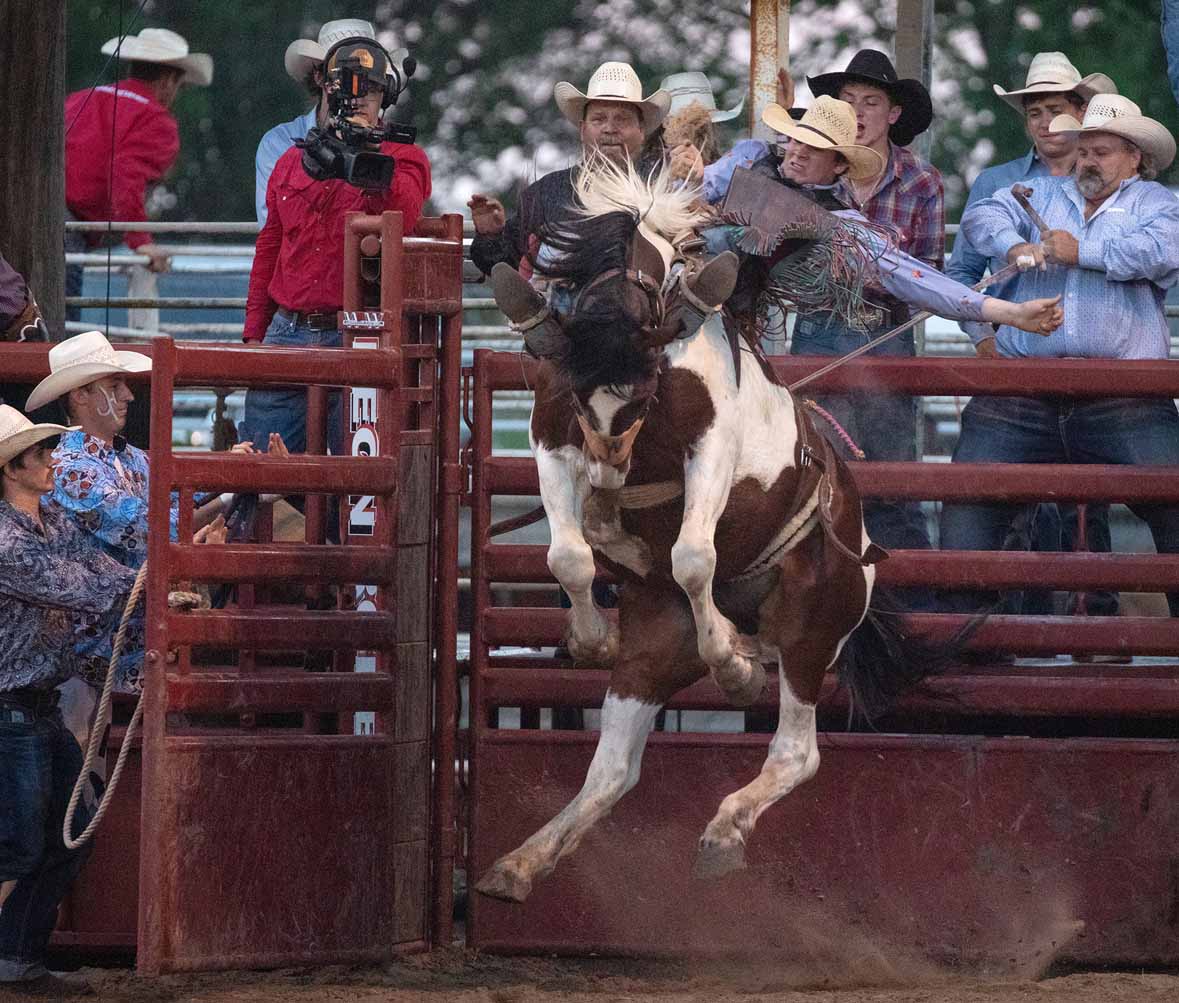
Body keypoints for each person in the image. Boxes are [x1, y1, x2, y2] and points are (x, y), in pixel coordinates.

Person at [941, 95, 1179, 622]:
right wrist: (1011, 247)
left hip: (1125, 396)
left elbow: (1164, 250)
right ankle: (962, 646)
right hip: (1026, 389)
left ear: (1134, 158)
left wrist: (1080, 253)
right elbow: (983, 214)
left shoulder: (1158, 204)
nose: (1090, 160)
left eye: (1104, 151)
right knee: (967, 502)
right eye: (1085, 149)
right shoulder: (1039, 193)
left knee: (1176, 499)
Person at [945, 52, 1119, 627]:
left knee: (1087, 514)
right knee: (997, 505)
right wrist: (983, 339)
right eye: (1035, 113)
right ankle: (996, 641)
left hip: (1096, 372)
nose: (1047, 124)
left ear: (1080, 114)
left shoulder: (1114, 180)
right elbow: (963, 272)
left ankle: (1091, 644)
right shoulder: (998, 183)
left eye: (1057, 111)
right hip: (1018, 368)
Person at [0, 405, 139, 996]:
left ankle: (17, 959)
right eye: (42, 454)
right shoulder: (8, 541)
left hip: (33, 704)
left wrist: (151, 577)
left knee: (62, 830)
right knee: (24, 842)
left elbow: (96, 570)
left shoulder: (49, 520)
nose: (54, 460)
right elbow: (79, 585)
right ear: (14, 467)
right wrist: (151, 579)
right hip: (11, 707)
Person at [242, 34, 430, 458]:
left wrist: (366, 146)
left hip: (360, 331)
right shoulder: (292, 159)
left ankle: (330, 526)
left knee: (355, 478)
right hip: (287, 329)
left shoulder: (404, 157)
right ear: (325, 87)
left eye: (371, 88)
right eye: (345, 84)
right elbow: (270, 245)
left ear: (387, 97)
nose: (357, 97)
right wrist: (255, 333)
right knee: (257, 466)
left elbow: (403, 214)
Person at [468, 61, 670, 278]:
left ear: (641, 131)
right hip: (562, 311)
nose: (610, 129)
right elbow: (501, 265)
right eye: (599, 119)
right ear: (583, 130)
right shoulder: (547, 193)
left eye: (622, 119)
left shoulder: (663, 191)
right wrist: (491, 236)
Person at [64, 28, 213, 320]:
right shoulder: (158, 122)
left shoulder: (81, 98)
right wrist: (140, 240)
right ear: (169, 80)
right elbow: (126, 173)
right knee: (59, 333)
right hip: (67, 230)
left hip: (27, 218)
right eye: (179, 86)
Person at [255, 19, 403, 224]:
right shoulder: (279, 142)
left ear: (385, 92)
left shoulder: (397, 149)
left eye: (370, 84)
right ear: (319, 77)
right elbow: (275, 227)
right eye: (345, 79)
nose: (357, 94)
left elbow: (400, 225)